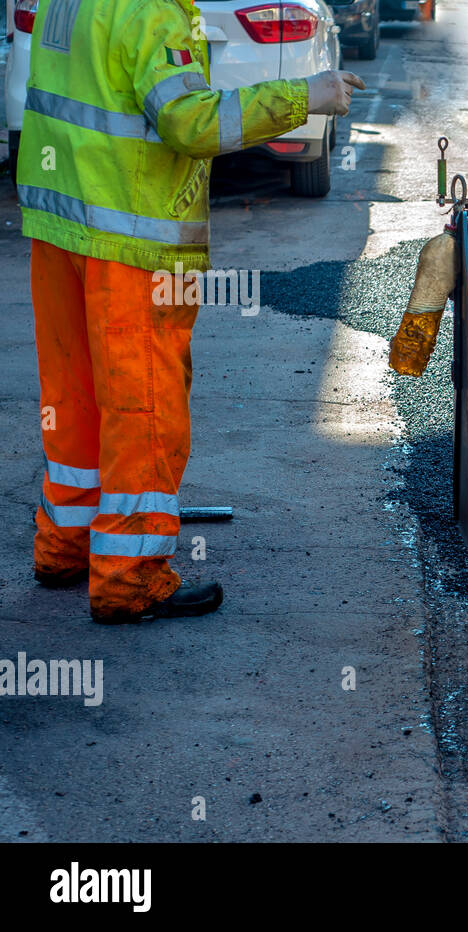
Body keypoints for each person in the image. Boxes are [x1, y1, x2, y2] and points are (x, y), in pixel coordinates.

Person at [18, 0, 364, 623]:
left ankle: (64, 546)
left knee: (73, 399)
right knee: (141, 405)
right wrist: (302, 96)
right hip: (130, 243)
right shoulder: (154, 11)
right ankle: (130, 576)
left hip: (62, 227)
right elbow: (189, 124)